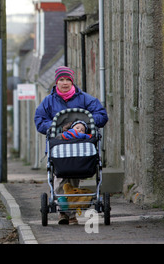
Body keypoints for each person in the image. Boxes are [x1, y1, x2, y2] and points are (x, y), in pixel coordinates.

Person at [34, 66, 108, 225]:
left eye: (68, 79)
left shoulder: (85, 99)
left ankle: (70, 212)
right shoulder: (49, 101)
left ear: (72, 81)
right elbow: (40, 120)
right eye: (61, 80)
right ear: (56, 82)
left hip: (79, 147)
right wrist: (56, 127)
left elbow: (101, 115)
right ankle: (65, 213)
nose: (65, 82)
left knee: (73, 177)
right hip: (59, 146)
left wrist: (83, 124)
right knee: (60, 177)